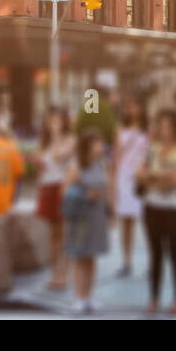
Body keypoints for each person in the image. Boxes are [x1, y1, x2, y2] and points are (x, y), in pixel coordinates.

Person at [137, 109, 176, 314]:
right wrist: (159, 177)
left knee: (175, 252)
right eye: (161, 125)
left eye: (168, 125)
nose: (164, 129)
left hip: (175, 208)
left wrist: (153, 177)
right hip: (152, 206)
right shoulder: (152, 149)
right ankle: (154, 297)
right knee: (155, 254)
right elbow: (139, 174)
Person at [62, 131, 110, 313]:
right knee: (80, 256)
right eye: (97, 143)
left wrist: (108, 211)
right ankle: (79, 297)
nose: (101, 147)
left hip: (96, 215)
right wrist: (86, 195)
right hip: (81, 215)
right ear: (88, 145)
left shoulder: (101, 163)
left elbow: (105, 188)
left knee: (92, 256)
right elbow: (66, 191)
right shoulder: (76, 165)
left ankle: (89, 296)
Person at [34, 107, 76, 291]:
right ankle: (54, 273)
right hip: (47, 187)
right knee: (52, 235)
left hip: (63, 187)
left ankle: (64, 274)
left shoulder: (69, 140)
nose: (54, 124)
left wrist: (56, 136)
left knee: (65, 233)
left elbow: (60, 156)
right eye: (51, 120)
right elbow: (40, 166)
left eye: (58, 120)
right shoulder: (44, 142)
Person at [111, 98, 150, 277]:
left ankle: (151, 261)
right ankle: (126, 261)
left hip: (141, 177)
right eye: (129, 107)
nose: (132, 110)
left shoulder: (148, 131)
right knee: (125, 221)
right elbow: (116, 157)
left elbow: (151, 154)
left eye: (135, 106)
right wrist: (113, 182)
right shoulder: (121, 130)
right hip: (124, 176)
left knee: (147, 221)